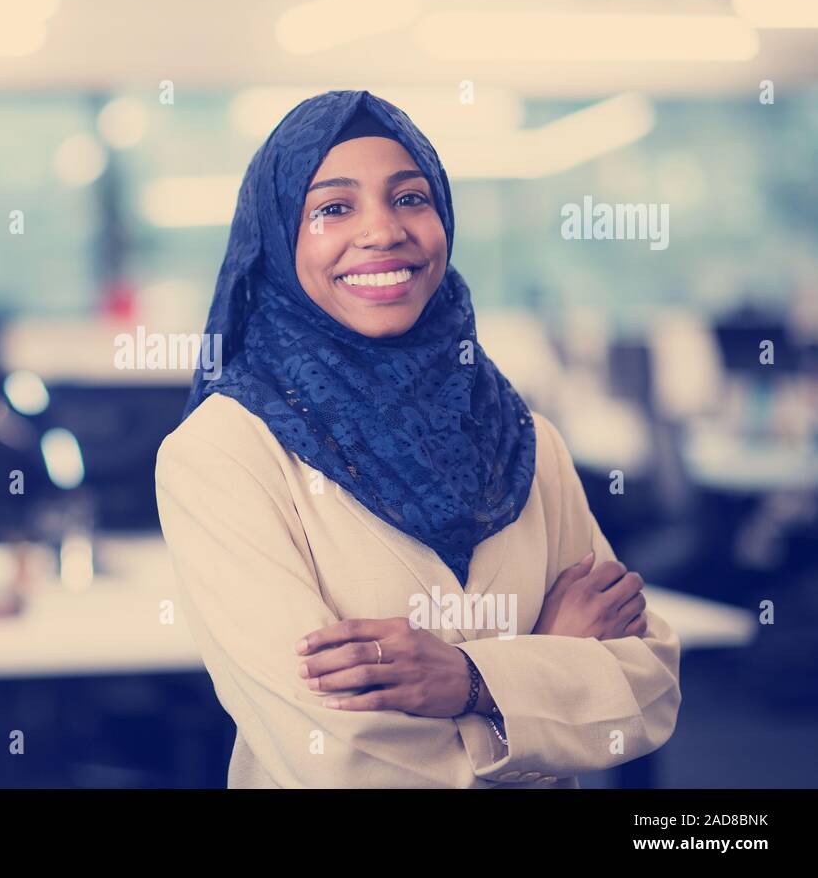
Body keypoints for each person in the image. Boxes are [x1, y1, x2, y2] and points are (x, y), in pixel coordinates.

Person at [154, 89, 681, 788]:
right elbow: (336, 757)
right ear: (279, 238)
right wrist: (541, 679)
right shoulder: (222, 452)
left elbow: (646, 690)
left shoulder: (523, 437)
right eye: (334, 208)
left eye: (410, 198)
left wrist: (468, 679)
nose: (383, 231)